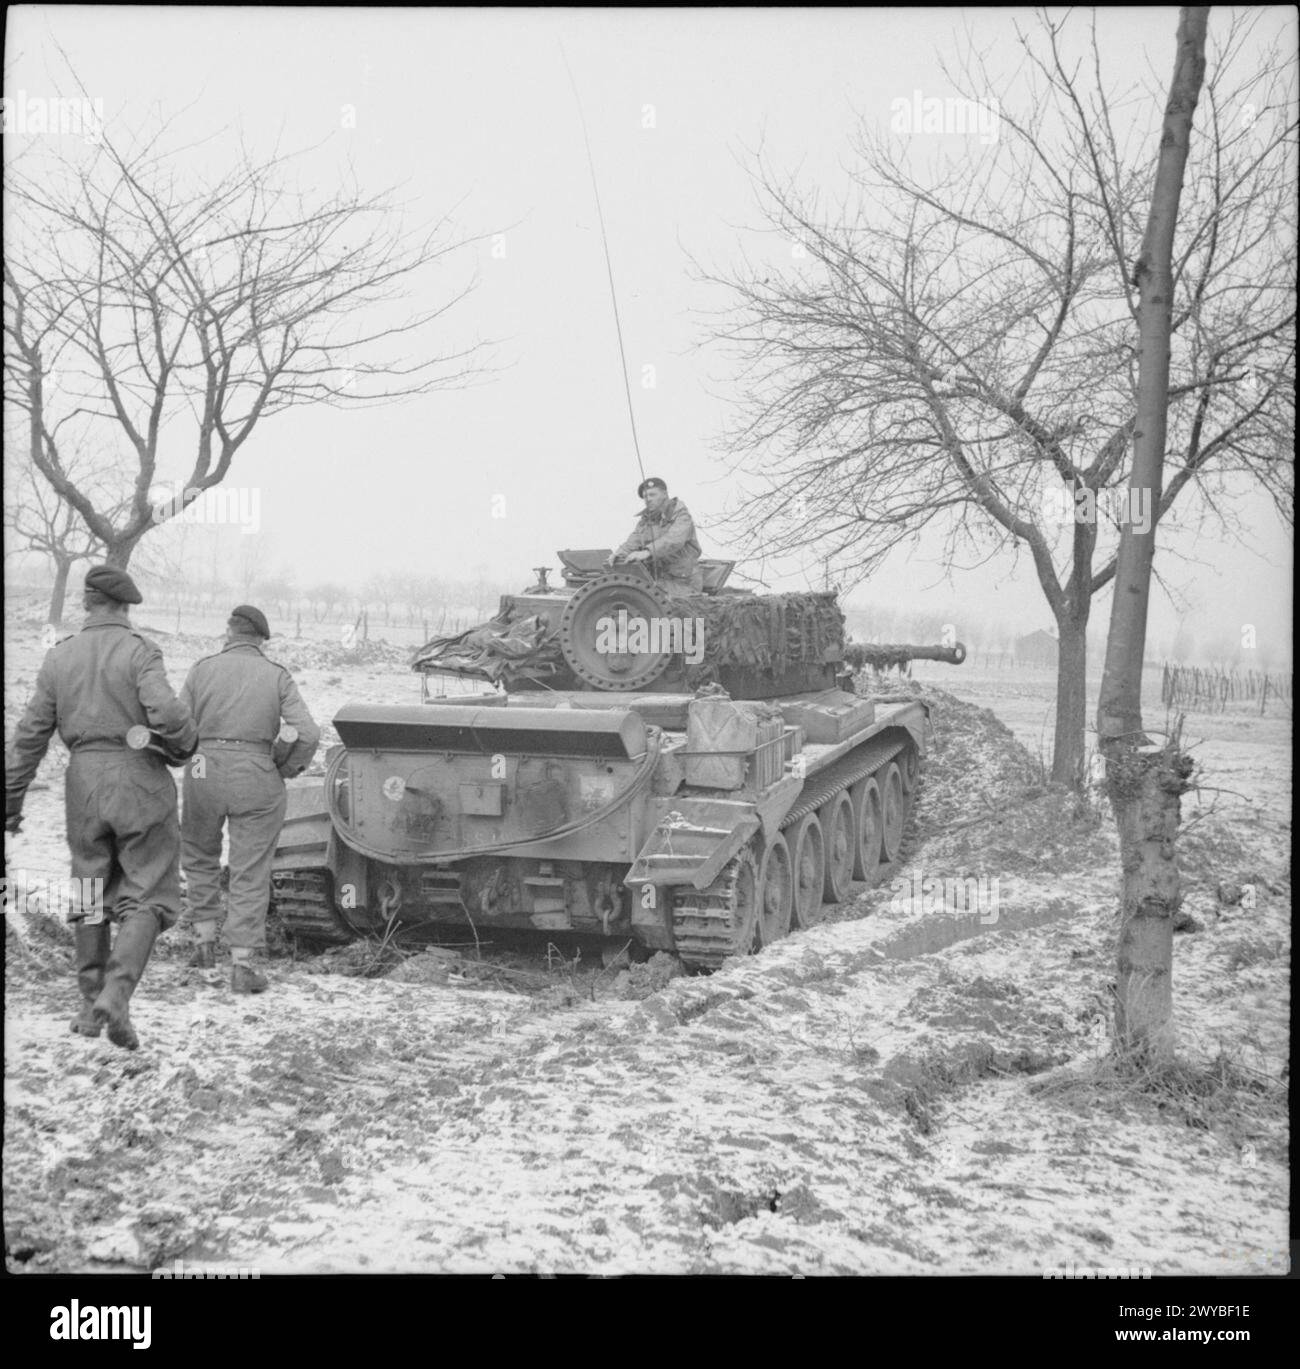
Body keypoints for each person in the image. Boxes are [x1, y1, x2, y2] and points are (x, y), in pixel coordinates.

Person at [4, 564, 197, 1050]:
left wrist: (11, 799)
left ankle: (89, 1005)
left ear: (86, 603)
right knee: (148, 893)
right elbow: (169, 715)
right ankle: (116, 993)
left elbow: (29, 736)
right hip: (137, 778)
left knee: (89, 888)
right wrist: (185, 743)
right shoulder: (139, 651)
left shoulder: (58, 658)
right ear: (125, 606)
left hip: (82, 782)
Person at [180, 605, 320, 993]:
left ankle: (202, 944)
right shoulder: (276, 676)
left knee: (199, 856)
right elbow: (307, 733)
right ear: (261, 639)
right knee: (249, 869)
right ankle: (241, 964)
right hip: (257, 772)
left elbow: (178, 725)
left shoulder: (201, 669)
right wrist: (285, 768)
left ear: (229, 633)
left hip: (201, 768)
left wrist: (194, 757)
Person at [605, 477, 704, 598]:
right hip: (659, 581)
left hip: (683, 583)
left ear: (664, 494)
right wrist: (619, 553)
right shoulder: (646, 520)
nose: (648, 500)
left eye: (652, 495)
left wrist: (647, 552)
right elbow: (634, 540)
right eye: (645, 497)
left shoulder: (681, 515)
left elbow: (674, 540)